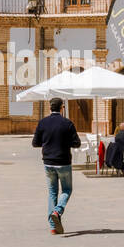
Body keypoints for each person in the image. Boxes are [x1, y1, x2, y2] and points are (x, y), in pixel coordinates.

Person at [32, 98, 80, 234]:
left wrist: (48, 142)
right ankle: (58, 211)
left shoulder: (43, 123)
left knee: (52, 192)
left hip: (48, 163)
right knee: (66, 190)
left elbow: (35, 143)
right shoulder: (68, 123)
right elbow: (77, 143)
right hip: (63, 162)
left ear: (49, 107)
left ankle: (53, 226)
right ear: (62, 108)